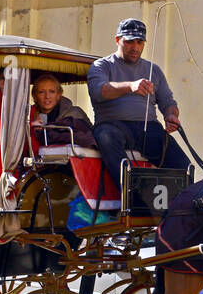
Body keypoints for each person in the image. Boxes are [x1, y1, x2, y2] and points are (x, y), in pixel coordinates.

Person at [86, 18, 189, 221]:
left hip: (147, 127)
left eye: (140, 42)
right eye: (130, 41)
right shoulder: (101, 66)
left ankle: (182, 212)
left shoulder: (154, 70)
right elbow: (99, 91)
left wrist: (171, 115)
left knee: (182, 164)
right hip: (113, 124)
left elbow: (168, 101)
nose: (135, 47)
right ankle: (131, 199)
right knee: (106, 137)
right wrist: (130, 86)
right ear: (118, 40)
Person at [30, 73, 96, 152]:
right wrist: (31, 127)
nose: (47, 96)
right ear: (34, 96)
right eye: (41, 92)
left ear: (59, 94)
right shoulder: (28, 116)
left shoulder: (75, 113)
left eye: (52, 91)